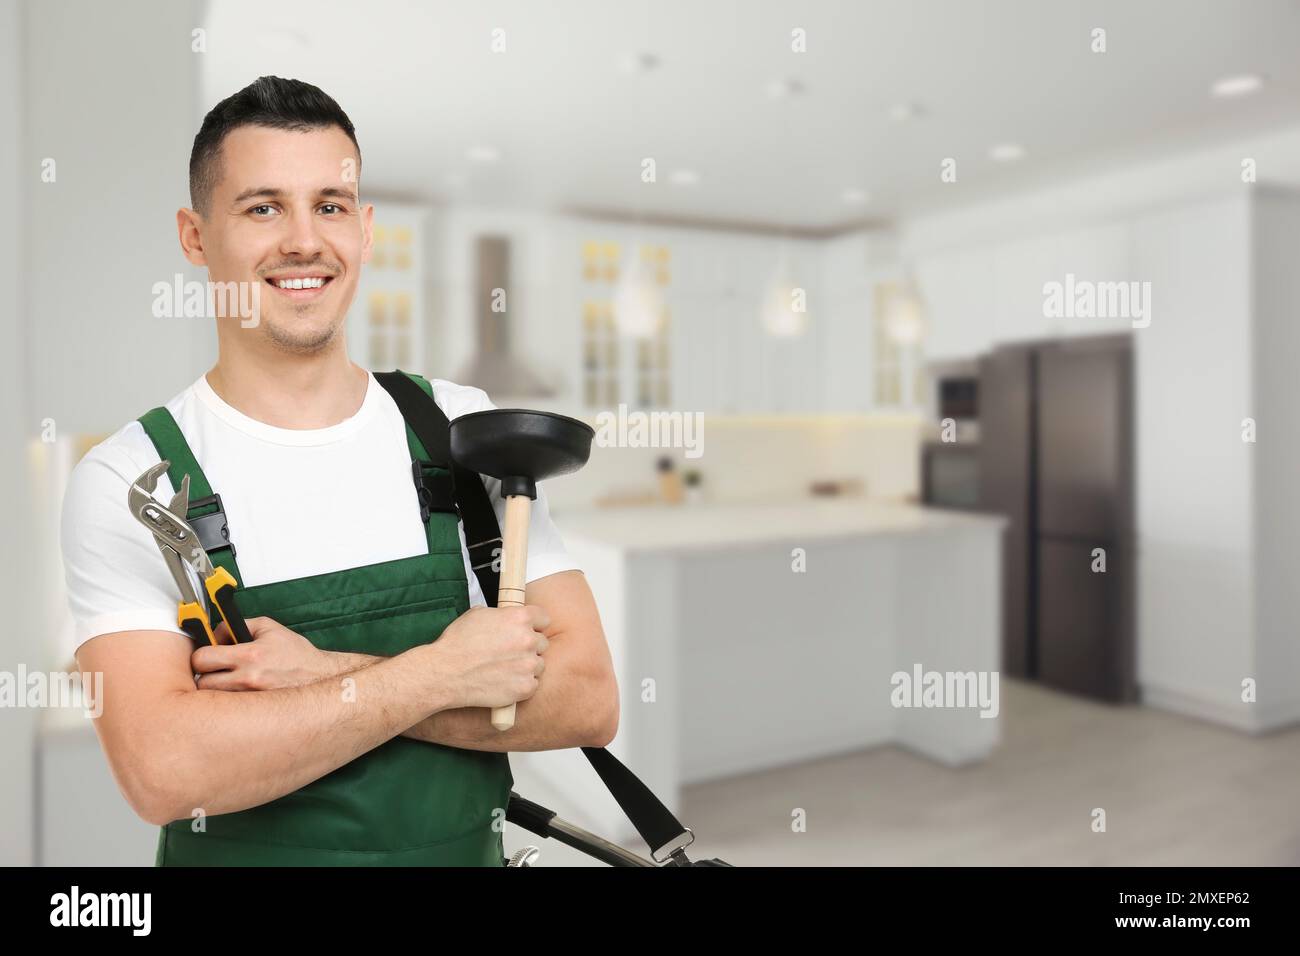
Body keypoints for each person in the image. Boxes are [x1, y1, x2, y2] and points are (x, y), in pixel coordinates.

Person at [61, 75, 619, 866]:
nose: (303, 242)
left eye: (329, 205)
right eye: (263, 207)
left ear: (363, 229)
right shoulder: (129, 477)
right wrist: (437, 676)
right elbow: (164, 770)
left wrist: (322, 675)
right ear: (194, 236)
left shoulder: (459, 429)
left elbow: (586, 700)